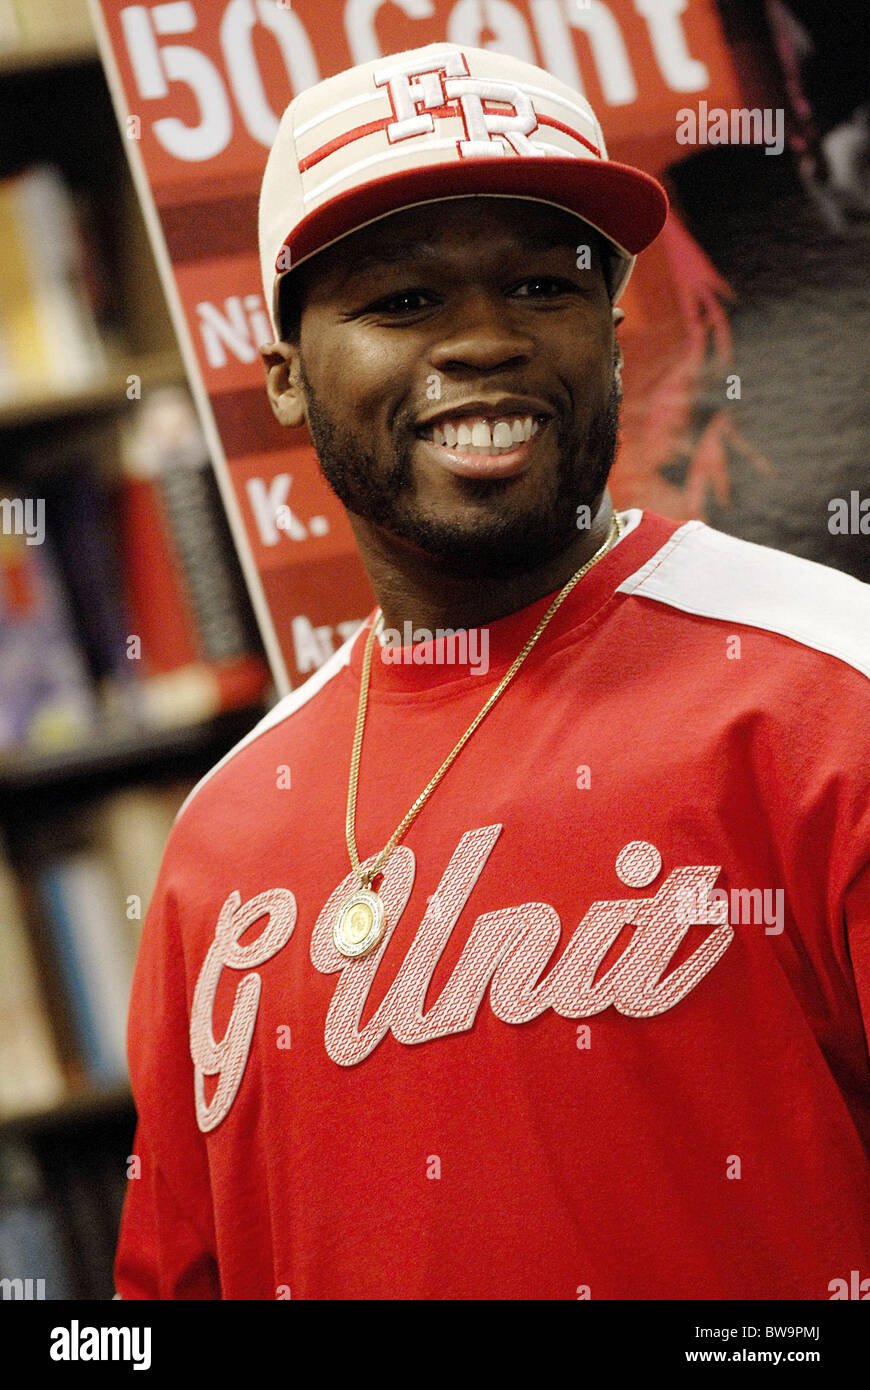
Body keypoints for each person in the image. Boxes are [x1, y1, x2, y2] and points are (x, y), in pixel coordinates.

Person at [114, 43, 870, 1301]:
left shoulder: (826, 688)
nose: (483, 341)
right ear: (288, 378)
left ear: (616, 337)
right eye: (404, 301)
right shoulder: (221, 844)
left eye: (538, 286)